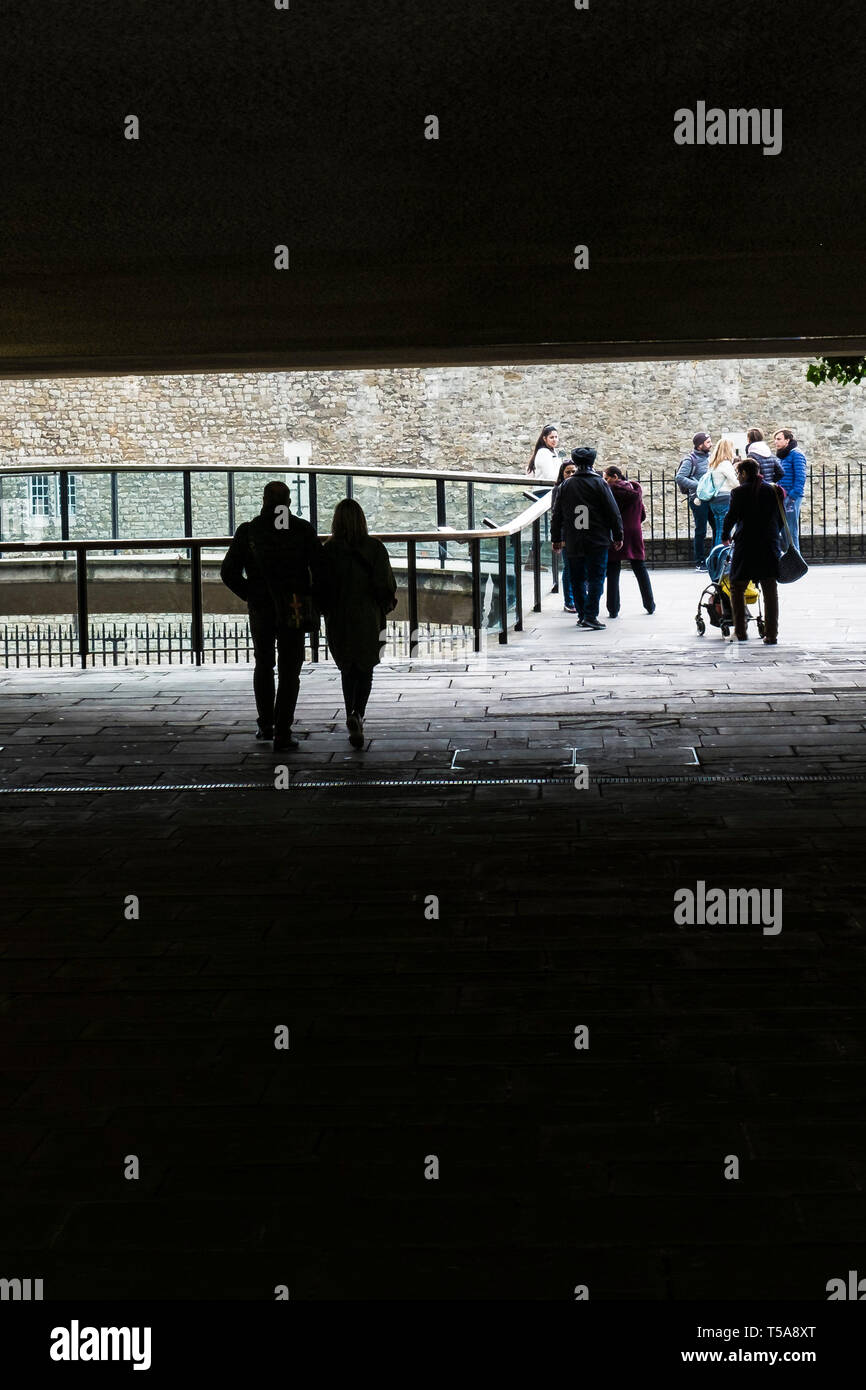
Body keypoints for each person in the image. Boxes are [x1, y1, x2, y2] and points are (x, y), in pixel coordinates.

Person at [220, 480, 325, 751]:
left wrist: (250, 594)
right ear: (288, 503)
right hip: (294, 606)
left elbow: (228, 572)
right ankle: (283, 730)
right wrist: (310, 596)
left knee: (263, 664)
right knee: (290, 669)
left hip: (262, 606)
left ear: (264, 501)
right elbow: (321, 568)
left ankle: (266, 724)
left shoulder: (249, 532)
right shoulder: (302, 530)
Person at [320, 498, 397, 749]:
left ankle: (350, 712)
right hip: (368, 616)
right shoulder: (374, 548)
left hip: (339, 617)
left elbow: (321, 587)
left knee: (347, 669)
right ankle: (358, 714)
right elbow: (386, 584)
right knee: (366, 668)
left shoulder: (328, 551)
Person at [551, 447, 623, 631]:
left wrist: (556, 537)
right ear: (592, 462)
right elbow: (612, 512)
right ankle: (591, 615)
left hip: (574, 538)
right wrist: (618, 534)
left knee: (577, 577)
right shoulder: (599, 483)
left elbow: (557, 514)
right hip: (597, 538)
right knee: (596, 577)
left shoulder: (565, 486)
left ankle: (583, 614)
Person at [721, 456, 785, 645]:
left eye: (738, 473)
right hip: (769, 544)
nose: (737, 477)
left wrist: (725, 535)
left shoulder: (739, 492)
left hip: (746, 544)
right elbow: (781, 518)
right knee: (770, 588)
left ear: (744, 473)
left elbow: (731, 516)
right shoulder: (774, 490)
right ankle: (771, 634)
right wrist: (773, 534)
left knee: (737, 585)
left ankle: (740, 631)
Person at [601, 466, 655, 617]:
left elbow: (608, 513)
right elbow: (642, 515)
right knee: (640, 568)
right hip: (635, 532)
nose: (605, 481)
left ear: (616, 477)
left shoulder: (610, 492)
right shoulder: (635, 490)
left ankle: (613, 609)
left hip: (616, 532)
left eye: (607, 478)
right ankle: (650, 605)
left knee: (613, 570)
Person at [676, 430, 713, 570]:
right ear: (699, 445)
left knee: (717, 528)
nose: (711, 444)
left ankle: (714, 559)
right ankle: (700, 562)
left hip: (712, 497)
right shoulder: (690, 459)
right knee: (701, 530)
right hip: (698, 499)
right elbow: (679, 477)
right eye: (708, 442)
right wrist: (699, 486)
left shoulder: (711, 458)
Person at [701, 438, 740, 546]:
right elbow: (735, 483)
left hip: (715, 500)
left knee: (718, 530)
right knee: (724, 533)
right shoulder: (725, 464)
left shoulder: (713, 464)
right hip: (725, 499)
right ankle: (721, 558)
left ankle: (716, 557)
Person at [773, 428, 807, 551]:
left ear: (787, 440)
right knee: (783, 530)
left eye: (778, 439)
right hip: (782, 496)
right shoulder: (782, 455)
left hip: (792, 497)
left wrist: (792, 496)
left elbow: (801, 477)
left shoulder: (796, 454)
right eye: (775, 439)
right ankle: (790, 557)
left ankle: (796, 561)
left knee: (791, 530)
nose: (775, 442)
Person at [551, 458, 577, 612]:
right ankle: (569, 601)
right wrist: (558, 539)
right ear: (562, 474)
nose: (571, 474)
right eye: (568, 472)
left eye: (574, 471)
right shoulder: (558, 489)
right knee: (568, 567)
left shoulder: (579, 487)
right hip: (566, 535)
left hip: (580, 534)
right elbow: (556, 515)